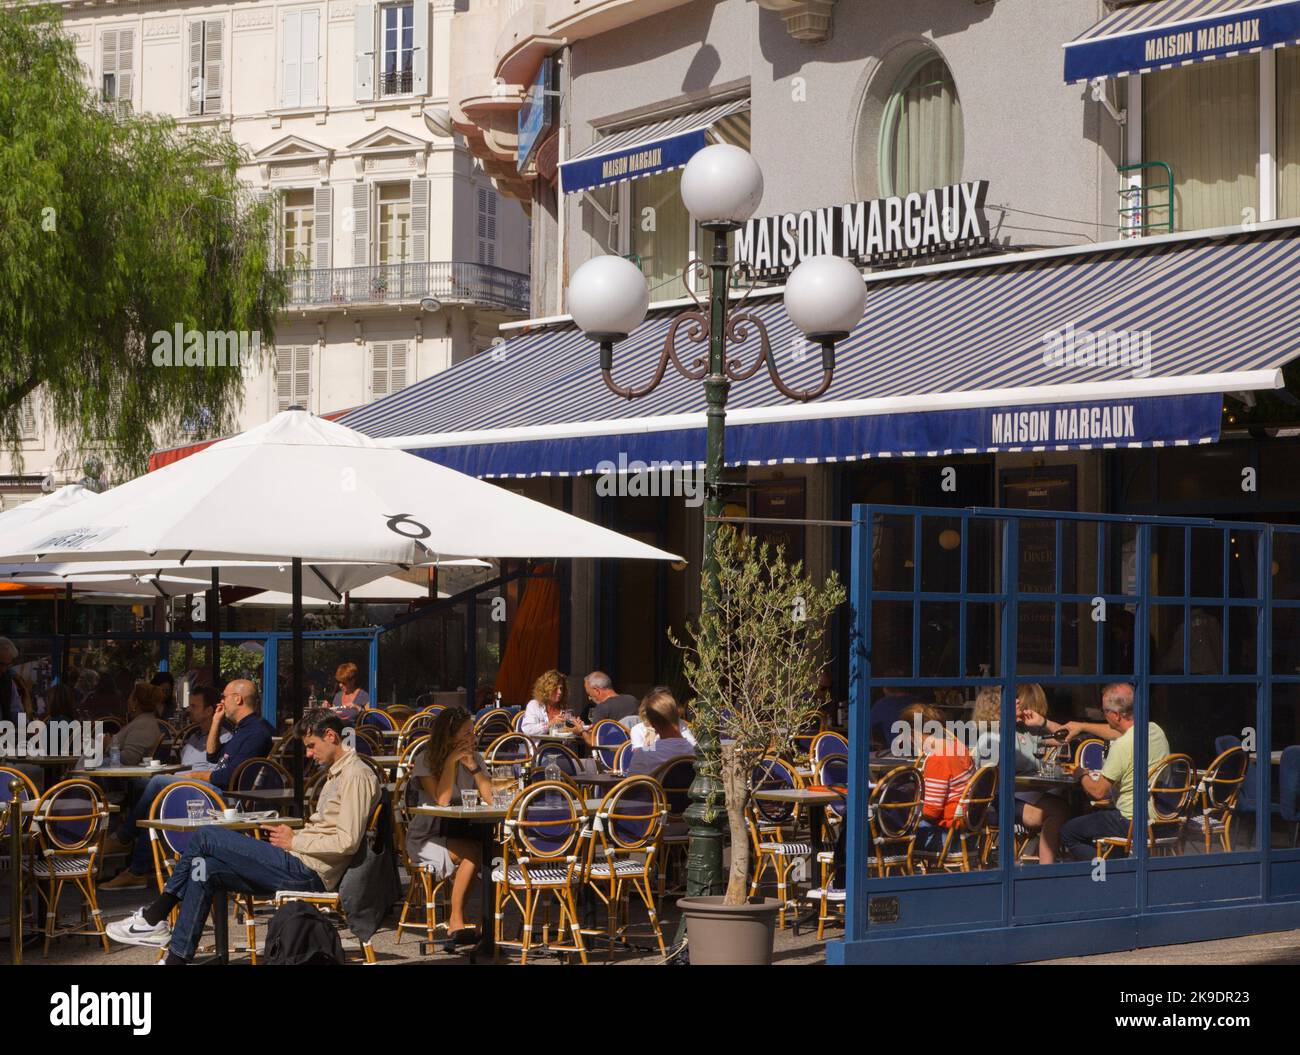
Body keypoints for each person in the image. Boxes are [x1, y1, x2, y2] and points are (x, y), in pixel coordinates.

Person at [107, 708, 380, 962]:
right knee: (205, 869)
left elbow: (347, 841)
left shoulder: (356, 776)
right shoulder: (338, 774)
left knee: (206, 836)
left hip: (310, 872)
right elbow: (331, 830)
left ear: (330, 736)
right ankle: (177, 958)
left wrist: (295, 840)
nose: (309, 754)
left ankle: (154, 916)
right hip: (299, 861)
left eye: (311, 746)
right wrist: (294, 836)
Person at [101, 680, 273, 888]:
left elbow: (227, 778)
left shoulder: (256, 732)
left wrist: (194, 777)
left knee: (157, 783)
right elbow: (212, 755)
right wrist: (217, 720)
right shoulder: (243, 729)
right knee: (155, 801)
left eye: (225, 697)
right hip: (217, 791)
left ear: (238, 699)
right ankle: (136, 866)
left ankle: (124, 839)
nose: (222, 702)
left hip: (225, 799)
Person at [404, 706, 494, 950]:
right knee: (474, 853)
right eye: (467, 733)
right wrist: (452, 762)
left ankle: (478, 925)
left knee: (486, 855)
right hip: (427, 836)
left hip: (459, 830)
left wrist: (473, 767)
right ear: (450, 735)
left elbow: (490, 799)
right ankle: (456, 919)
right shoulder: (426, 759)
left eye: (473, 732)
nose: (472, 738)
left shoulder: (475, 758)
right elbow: (441, 800)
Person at [1059, 683, 1170, 861]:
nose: (1104, 715)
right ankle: (1119, 863)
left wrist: (1081, 774)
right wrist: (1082, 726)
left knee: (1068, 832)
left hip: (1131, 821)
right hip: (1160, 817)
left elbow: (1098, 792)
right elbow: (1117, 732)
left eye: (1104, 712)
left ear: (1116, 715)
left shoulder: (1122, 746)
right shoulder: (1155, 730)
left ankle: (1107, 873)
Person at [971, 684, 1068, 865]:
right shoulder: (991, 736)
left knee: (1064, 806)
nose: (1018, 701)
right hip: (1001, 800)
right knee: (1057, 811)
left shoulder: (1024, 729)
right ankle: (1045, 868)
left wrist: (1043, 722)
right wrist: (1035, 784)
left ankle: (1043, 861)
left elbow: (1065, 736)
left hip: (1025, 793)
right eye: (1011, 698)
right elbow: (990, 782)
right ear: (996, 706)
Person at [900, 702, 974, 854]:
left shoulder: (938, 759)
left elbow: (932, 812)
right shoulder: (958, 747)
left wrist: (908, 807)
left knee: (887, 832)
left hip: (947, 837)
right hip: (968, 832)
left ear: (913, 734)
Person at [627, 689, 695, 776]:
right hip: (689, 789)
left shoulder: (644, 755)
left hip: (656, 789)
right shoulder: (696, 752)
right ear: (678, 714)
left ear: (652, 724)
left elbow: (633, 784)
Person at [112, 682, 166, 766]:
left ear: (135, 702)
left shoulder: (143, 725)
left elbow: (129, 759)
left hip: (123, 775)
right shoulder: (144, 721)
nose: (127, 700)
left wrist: (109, 746)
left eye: (130, 697)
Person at [520, 669, 582, 737]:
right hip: (539, 746)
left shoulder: (564, 707)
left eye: (561, 688)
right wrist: (550, 724)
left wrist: (576, 728)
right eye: (555, 688)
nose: (559, 692)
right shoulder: (535, 705)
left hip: (561, 747)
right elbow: (527, 729)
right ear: (546, 689)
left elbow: (568, 733)